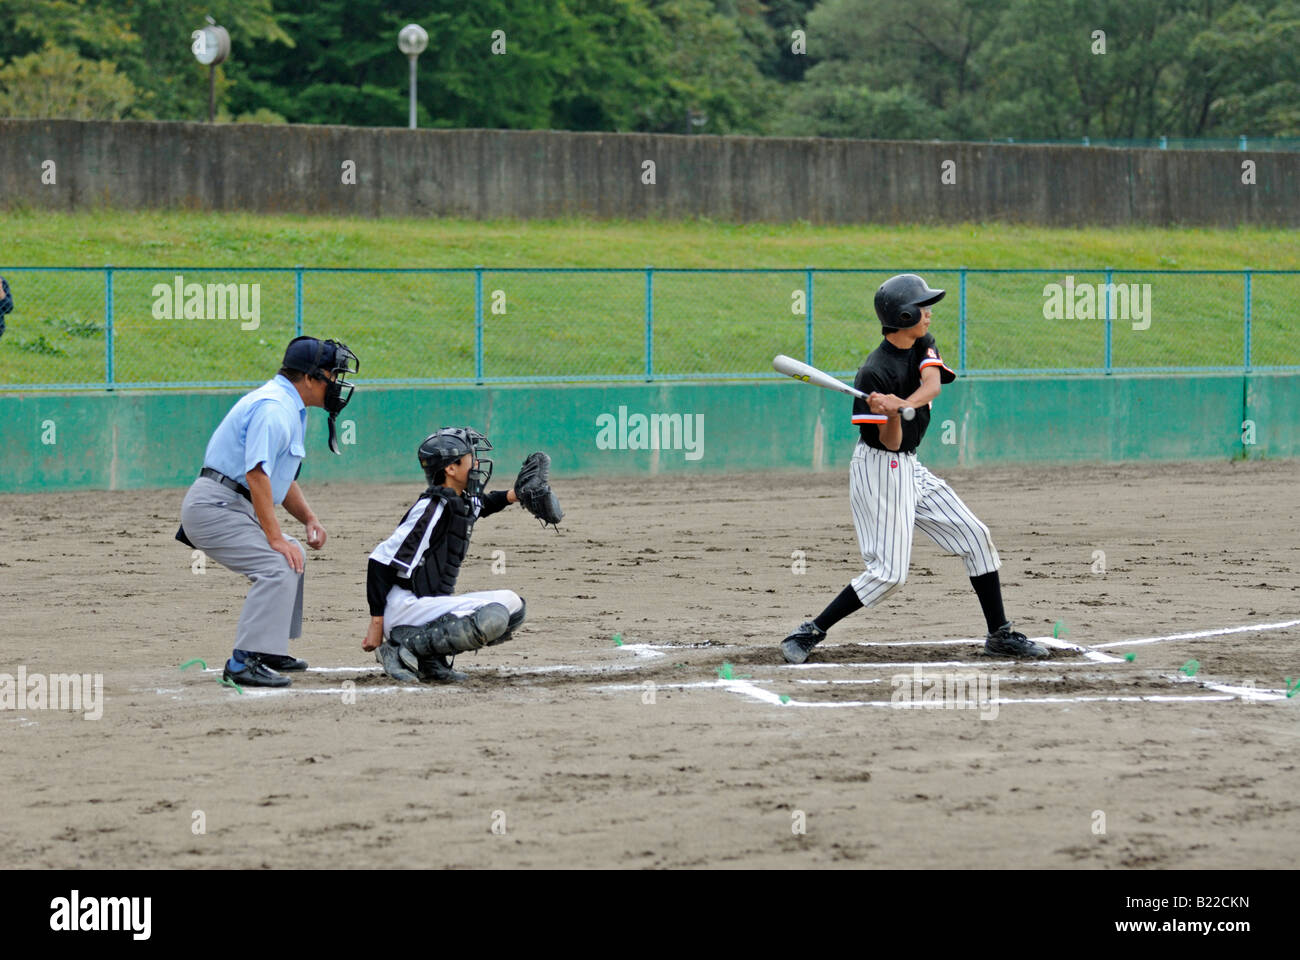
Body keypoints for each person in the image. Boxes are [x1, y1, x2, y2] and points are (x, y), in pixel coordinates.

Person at [781, 274, 1047, 664]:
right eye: (922, 308)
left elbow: (933, 385)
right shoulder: (873, 372)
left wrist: (902, 402)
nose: (928, 315)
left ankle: (1000, 635)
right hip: (881, 469)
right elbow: (889, 441)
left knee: (976, 536)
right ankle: (810, 632)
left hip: (911, 465)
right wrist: (889, 414)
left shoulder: (922, 343)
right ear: (903, 315)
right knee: (889, 574)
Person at [178, 336, 360, 688]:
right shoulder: (274, 407)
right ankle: (244, 660)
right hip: (216, 506)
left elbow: (279, 478)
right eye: (331, 375)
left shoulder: (290, 407)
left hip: (231, 504)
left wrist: (308, 518)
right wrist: (274, 537)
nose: (336, 385)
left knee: (292, 555)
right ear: (309, 378)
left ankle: (268, 647)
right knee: (277, 562)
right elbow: (257, 474)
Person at [363, 427, 561, 683]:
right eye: (470, 457)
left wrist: (514, 496)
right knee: (494, 614)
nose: (477, 463)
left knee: (514, 607)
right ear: (451, 469)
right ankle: (400, 649)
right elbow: (379, 561)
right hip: (403, 608)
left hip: (423, 608)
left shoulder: (459, 502)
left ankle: (429, 660)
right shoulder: (432, 507)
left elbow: (483, 505)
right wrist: (376, 625)